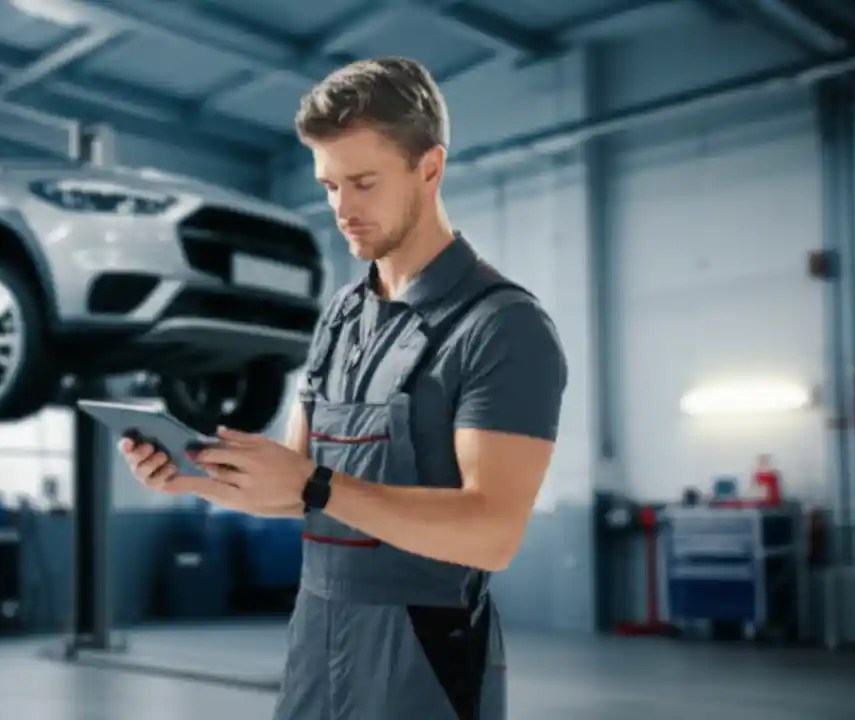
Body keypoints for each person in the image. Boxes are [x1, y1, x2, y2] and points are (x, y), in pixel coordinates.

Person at [119, 56, 567, 720]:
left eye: (362, 182)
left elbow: (492, 533)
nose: (342, 210)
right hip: (315, 638)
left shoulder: (502, 326)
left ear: (430, 167)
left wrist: (313, 484)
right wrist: (191, 476)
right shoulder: (340, 317)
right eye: (329, 186)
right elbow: (300, 495)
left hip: (425, 653)